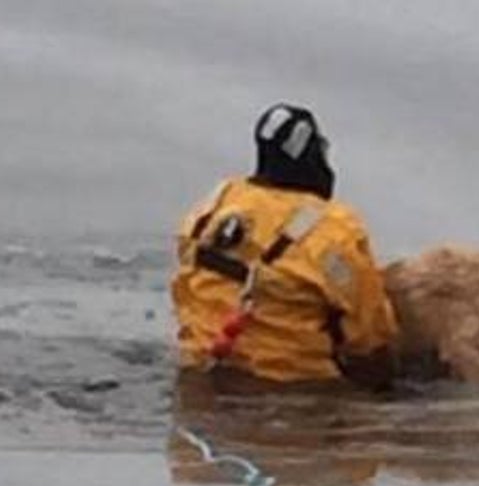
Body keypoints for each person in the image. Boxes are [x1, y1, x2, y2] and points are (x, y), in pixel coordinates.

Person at [170, 104, 398, 392]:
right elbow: (369, 335)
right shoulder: (333, 231)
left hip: (201, 376)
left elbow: (185, 280)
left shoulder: (217, 204)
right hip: (295, 391)